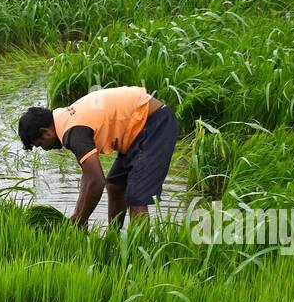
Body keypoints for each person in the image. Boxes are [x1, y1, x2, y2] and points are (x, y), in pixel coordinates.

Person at [18, 86, 177, 229]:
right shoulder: (66, 120)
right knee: (115, 185)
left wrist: (81, 219)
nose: (44, 149)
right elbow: (88, 176)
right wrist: (78, 214)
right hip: (137, 128)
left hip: (154, 124)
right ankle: (114, 240)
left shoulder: (73, 131)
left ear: (46, 132)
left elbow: (96, 180)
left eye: (40, 144)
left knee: (136, 197)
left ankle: (139, 255)